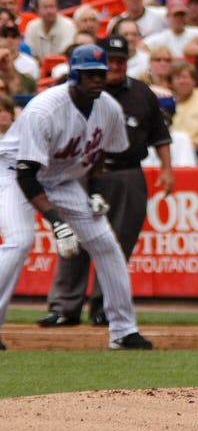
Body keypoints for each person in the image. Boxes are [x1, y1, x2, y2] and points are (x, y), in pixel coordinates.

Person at [0, 44, 153, 350]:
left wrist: (94, 192)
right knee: (20, 241)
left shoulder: (108, 107)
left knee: (106, 243)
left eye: (100, 73)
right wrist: (57, 222)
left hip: (62, 176)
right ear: (74, 76)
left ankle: (123, 330)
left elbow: (98, 155)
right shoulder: (45, 110)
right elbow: (27, 174)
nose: (97, 80)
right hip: (14, 171)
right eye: (89, 75)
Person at [37, 35, 173, 327]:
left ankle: (103, 307)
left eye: (120, 60)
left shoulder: (141, 92)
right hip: (81, 173)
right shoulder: (75, 92)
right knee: (73, 239)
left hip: (127, 171)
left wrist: (167, 168)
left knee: (117, 244)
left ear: (128, 60)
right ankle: (64, 306)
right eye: (109, 60)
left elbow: (160, 135)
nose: (114, 65)